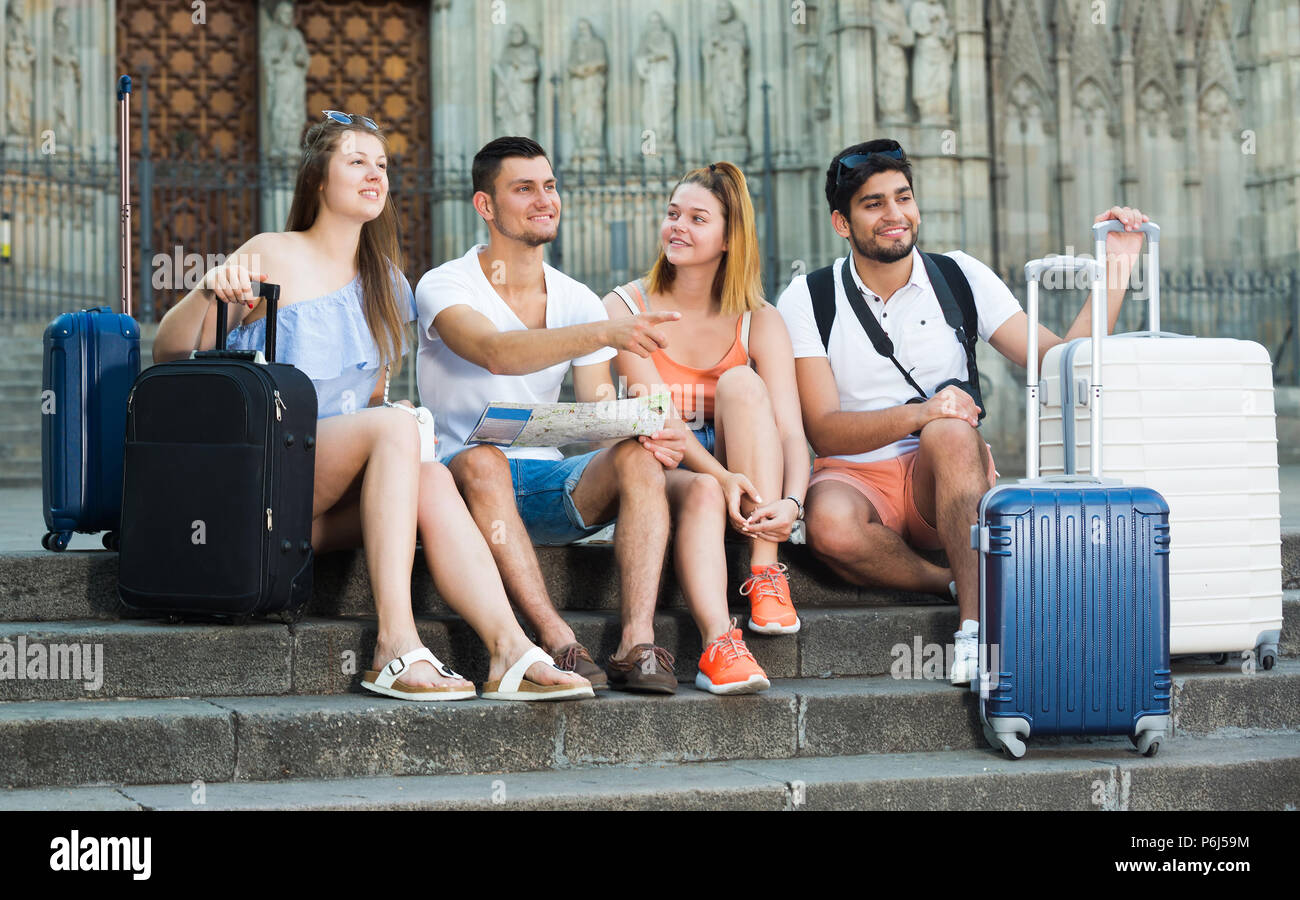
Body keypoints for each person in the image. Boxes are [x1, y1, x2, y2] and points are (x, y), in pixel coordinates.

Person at [152, 113, 593, 702]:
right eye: (356, 161)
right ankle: (395, 646)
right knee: (395, 428)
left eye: (382, 165)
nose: (374, 173)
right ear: (318, 182)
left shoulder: (386, 283)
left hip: (310, 509)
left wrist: (397, 424)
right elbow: (168, 353)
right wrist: (211, 288)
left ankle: (510, 651)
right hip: (255, 485)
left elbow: (366, 405)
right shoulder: (271, 254)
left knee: (432, 476)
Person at [776, 138, 1149, 685]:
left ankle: (976, 631)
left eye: (903, 197)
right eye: (873, 203)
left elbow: (1060, 365)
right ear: (842, 222)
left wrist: (1117, 268)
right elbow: (825, 432)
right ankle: (950, 578)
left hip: (946, 473)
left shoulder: (959, 276)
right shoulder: (808, 297)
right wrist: (920, 413)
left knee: (951, 433)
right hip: (855, 476)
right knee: (828, 525)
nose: (895, 214)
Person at [416, 137, 770, 695]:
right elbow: (494, 350)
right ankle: (558, 643)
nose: (544, 200)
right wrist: (606, 331)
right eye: (524, 188)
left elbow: (600, 408)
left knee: (635, 453)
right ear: (486, 206)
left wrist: (644, 428)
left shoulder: (574, 296)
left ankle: (636, 642)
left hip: (550, 481)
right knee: (483, 460)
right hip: (464, 488)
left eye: (550, 186)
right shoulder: (445, 284)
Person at [603, 161, 810, 638]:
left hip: (743, 457)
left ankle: (764, 570)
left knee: (741, 382)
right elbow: (662, 420)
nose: (677, 226)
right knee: (675, 441)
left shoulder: (760, 318)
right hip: (666, 458)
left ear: (729, 238)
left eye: (698, 219)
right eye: (673, 213)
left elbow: (789, 432)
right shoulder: (625, 309)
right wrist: (723, 477)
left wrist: (793, 504)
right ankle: (719, 636)